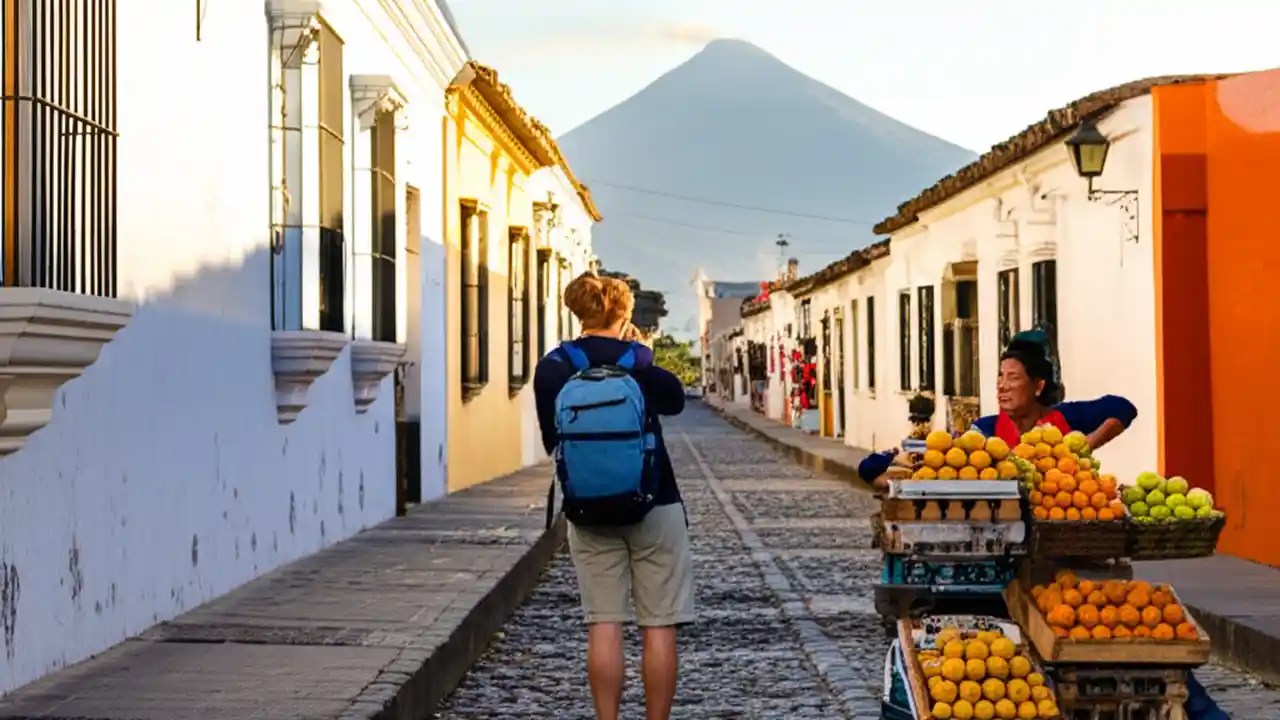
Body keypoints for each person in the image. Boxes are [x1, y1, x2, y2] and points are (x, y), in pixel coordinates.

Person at [532, 274, 694, 720]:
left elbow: (552, 439)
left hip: (586, 507)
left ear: (578, 311)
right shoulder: (640, 364)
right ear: (625, 315)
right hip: (655, 501)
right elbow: (676, 402)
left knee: (603, 622)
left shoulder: (553, 368)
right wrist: (643, 357)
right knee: (658, 625)